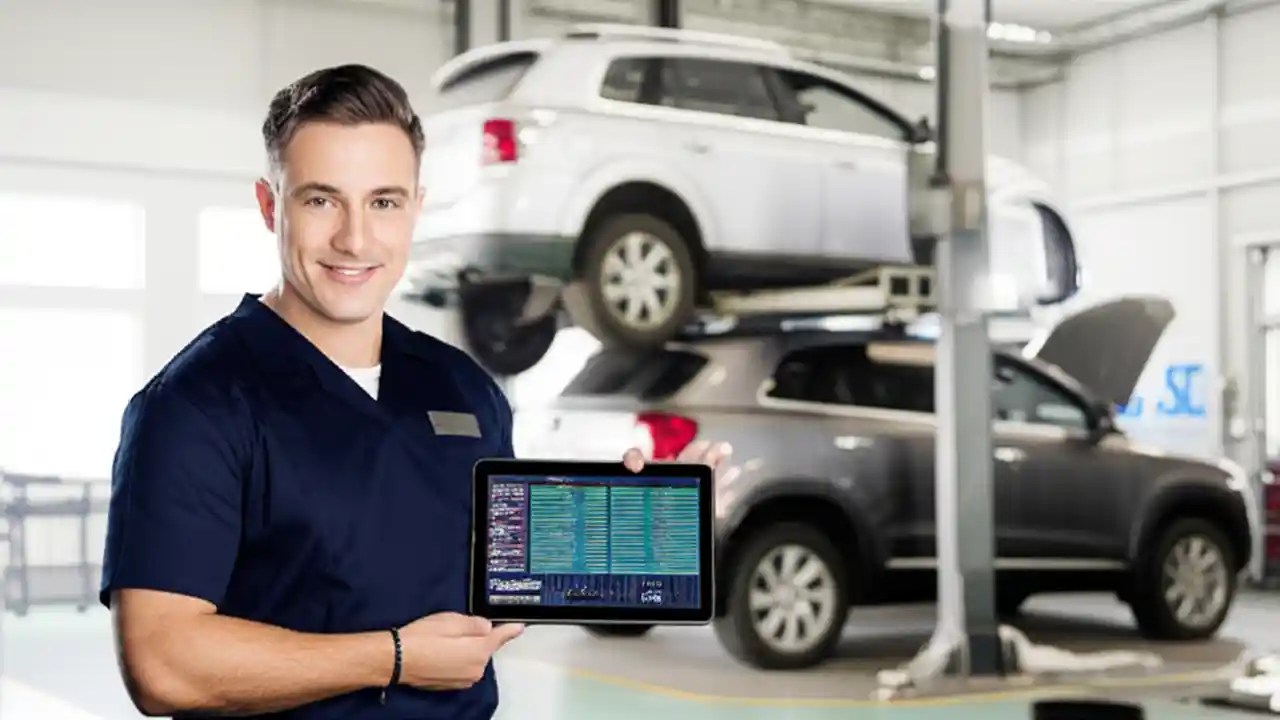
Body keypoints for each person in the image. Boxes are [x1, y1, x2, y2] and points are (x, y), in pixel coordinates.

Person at [99, 64, 732, 719]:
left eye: (383, 202)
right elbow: (163, 665)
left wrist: (652, 526)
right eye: (321, 201)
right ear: (269, 206)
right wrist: (393, 656)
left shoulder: (463, 388)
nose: (354, 239)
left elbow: (505, 580)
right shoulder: (194, 406)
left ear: (415, 208)